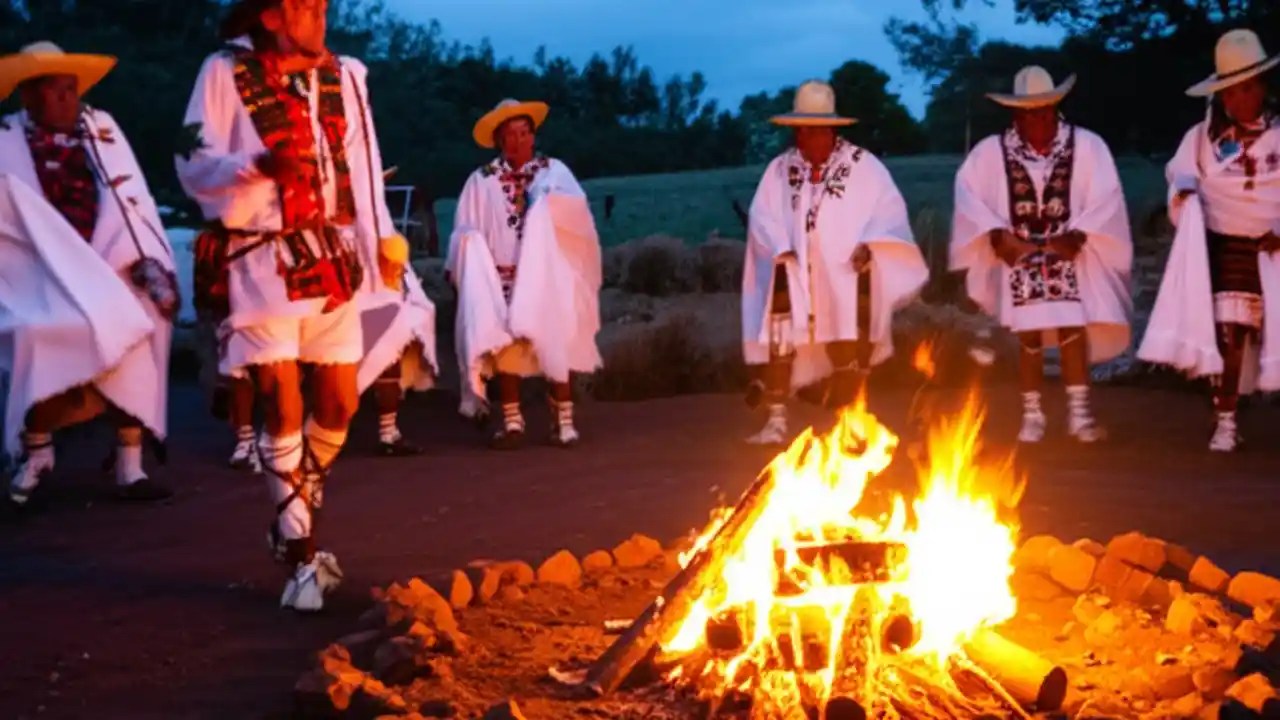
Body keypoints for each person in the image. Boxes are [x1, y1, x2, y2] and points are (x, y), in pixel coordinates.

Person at [175, 0, 407, 611]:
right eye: (306, 6)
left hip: (330, 252)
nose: (320, 15)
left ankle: (292, 505)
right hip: (258, 255)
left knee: (340, 401)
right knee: (282, 392)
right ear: (273, 16)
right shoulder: (222, 73)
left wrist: (383, 239)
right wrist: (254, 164)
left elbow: (362, 165)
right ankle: (302, 556)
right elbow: (190, 160)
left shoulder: (346, 75)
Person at [0, 41, 177, 507]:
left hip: (110, 267)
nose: (66, 100)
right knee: (37, 334)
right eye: (54, 91)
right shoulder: (5, 142)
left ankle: (130, 464)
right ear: (28, 97)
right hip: (40, 278)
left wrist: (144, 260)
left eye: (71, 90)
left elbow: (133, 205)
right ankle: (37, 452)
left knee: (138, 321)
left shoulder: (103, 134)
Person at [951, 66, 1133, 444]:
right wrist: (999, 236)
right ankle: (1032, 416)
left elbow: (1107, 194)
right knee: (1029, 334)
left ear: (1056, 107)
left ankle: (1079, 415)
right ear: (1016, 115)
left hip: (1070, 253)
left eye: (1045, 110)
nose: (1039, 119)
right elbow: (967, 194)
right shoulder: (991, 152)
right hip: (1017, 255)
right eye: (1030, 112)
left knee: (1071, 328)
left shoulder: (1087, 145)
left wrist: (1079, 233)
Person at [741, 80, 928, 445]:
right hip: (792, 270)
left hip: (843, 272)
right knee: (782, 342)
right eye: (801, 131)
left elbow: (889, 212)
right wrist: (781, 246)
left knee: (845, 343)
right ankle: (776, 421)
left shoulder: (862, 166)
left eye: (815, 131)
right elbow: (761, 214)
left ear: (830, 129)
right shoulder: (780, 170)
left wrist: (870, 244)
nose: (807, 139)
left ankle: (850, 419)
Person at [1139, 29, 1280, 452]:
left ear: (1262, 87)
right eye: (1231, 92)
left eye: (1248, 89)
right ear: (1221, 95)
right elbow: (1180, 178)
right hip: (1226, 244)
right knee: (1230, 334)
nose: (1241, 99)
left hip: (1274, 245)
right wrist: (1183, 197)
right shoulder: (1200, 139)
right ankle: (1226, 419)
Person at [447, 98, 602, 449]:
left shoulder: (554, 173)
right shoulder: (481, 180)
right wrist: (465, 264)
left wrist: (548, 207)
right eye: (510, 135)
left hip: (547, 274)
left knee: (555, 340)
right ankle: (513, 422)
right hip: (499, 276)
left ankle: (564, 421)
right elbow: (464, 227)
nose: (518, 141)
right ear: (499, 140)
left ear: (533, 136)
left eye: (523, 133)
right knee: (504, 347)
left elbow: (578, 216)